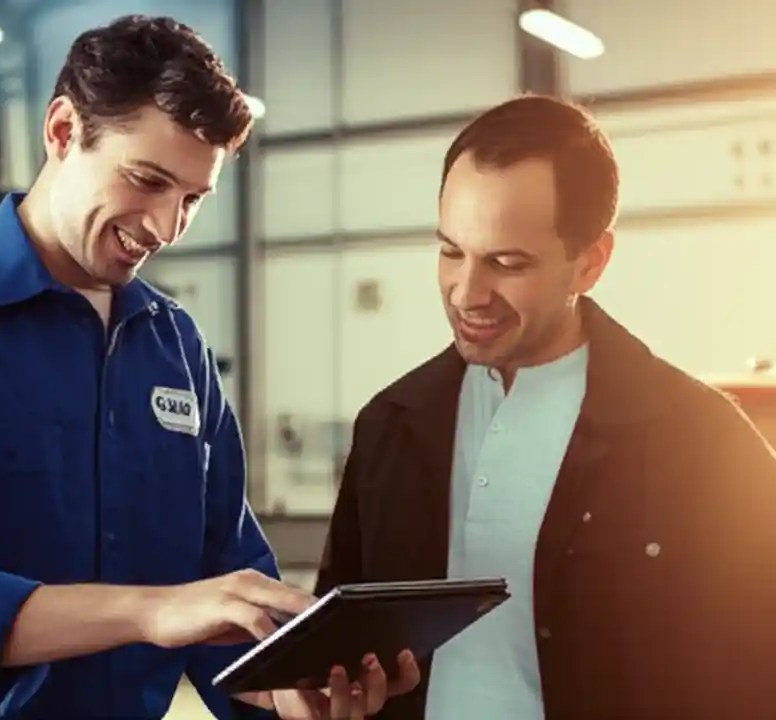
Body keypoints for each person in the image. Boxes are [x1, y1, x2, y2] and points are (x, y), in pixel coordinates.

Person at [0, 14, 418, 720]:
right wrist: (149, 612)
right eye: (147, 179)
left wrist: (291, 691)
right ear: (61, 131)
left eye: (193, 200)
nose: (167, 226)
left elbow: (220, 600)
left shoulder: (177, 349)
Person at [315, 94, 776, 719]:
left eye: (506, 263)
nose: (467, 292)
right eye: (451, 251)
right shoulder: (391, 427)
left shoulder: (705, 445)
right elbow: (333, 653)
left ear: (590, 262)